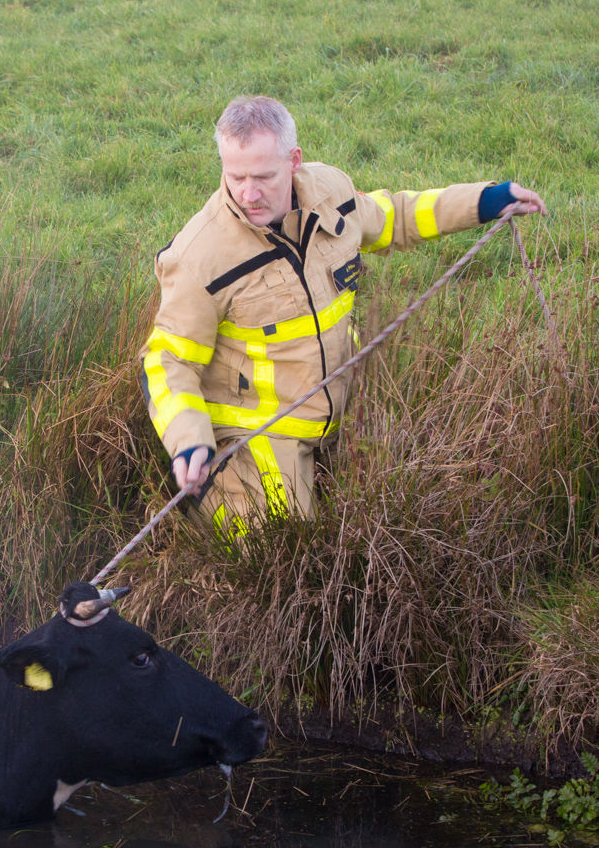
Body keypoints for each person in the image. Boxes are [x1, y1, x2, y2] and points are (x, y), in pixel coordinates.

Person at [143, 96, 545, 532]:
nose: (248, 193)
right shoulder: (199, 255)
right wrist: (189, 443)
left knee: (405, 506)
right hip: (259, 431)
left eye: (263, 176)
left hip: (346, 405)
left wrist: (485, 202)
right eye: (235, 176)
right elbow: (169, 360)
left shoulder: (332, 193)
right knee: (291, 547)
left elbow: (395, 219)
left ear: (294, 161)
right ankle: (211, 494)